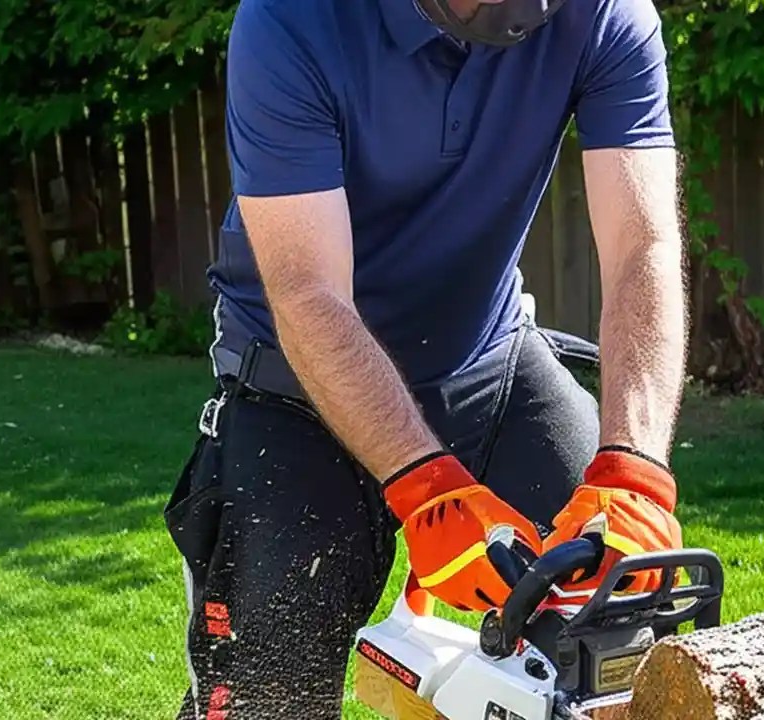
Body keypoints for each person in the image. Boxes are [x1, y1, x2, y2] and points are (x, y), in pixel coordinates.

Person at [163, 0, 688, 716]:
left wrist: (634, 472)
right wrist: (425, 485)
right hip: (293, 389)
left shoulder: (605, 15)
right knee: (268, 699)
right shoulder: (292, 19)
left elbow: (642, 250)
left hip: (487, 360)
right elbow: (309, 295)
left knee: (615, 653)